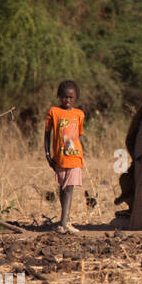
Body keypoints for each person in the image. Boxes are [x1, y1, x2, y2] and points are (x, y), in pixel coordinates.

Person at [44, 80, 86, 233]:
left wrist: (82, 155)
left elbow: (78, 137)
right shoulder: (54, 112)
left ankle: (63, 223)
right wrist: (48, 155)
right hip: (60, 158)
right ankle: (65, 220)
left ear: (76, 98)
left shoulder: (79, 114)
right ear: (59, 96)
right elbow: (47, 134)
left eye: (70, 98)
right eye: (64, 97)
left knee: (69, 188)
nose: (67, 100)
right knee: (62, 189)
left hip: (75, 157)